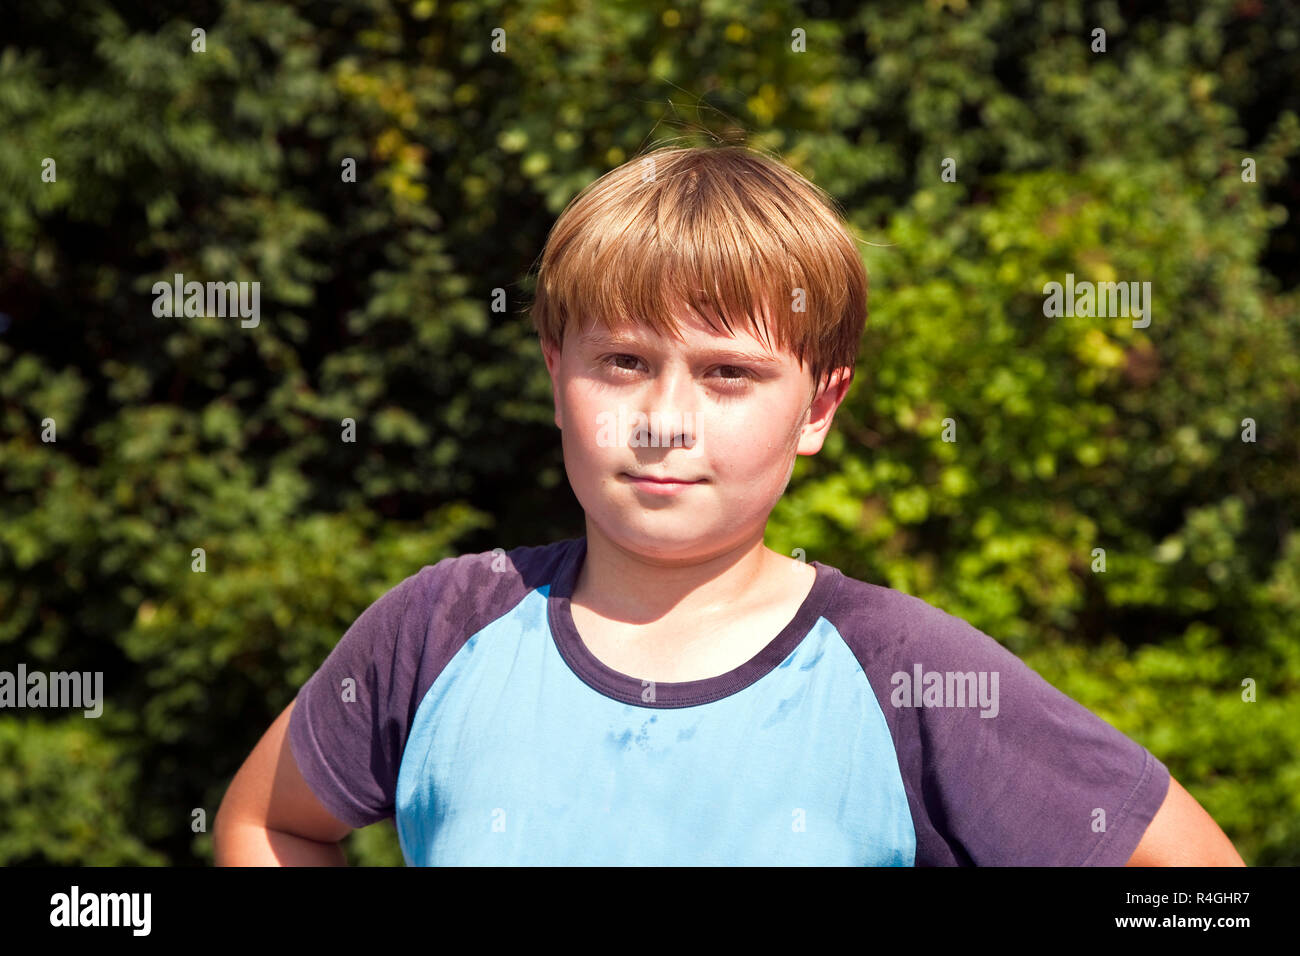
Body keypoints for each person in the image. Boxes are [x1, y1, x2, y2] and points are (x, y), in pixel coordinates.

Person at [214, 144, 1244, 866]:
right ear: (552, 369)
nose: (664, 419)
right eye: (622, 361)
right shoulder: (437, 631)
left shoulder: (905, 675)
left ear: (819, 405)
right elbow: (267, 820)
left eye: (727, 374)